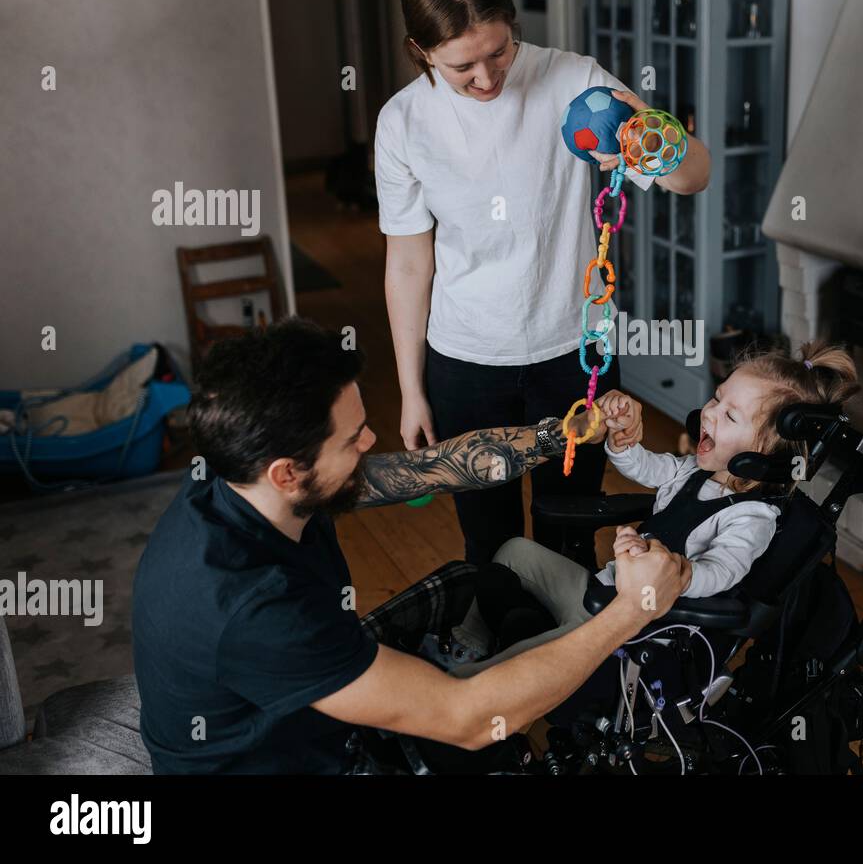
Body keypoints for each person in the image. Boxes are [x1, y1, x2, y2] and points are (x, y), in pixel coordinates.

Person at [131, 318, 688, 774]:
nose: (372, 442)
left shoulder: (237, 472)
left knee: (473, 579)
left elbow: (427, 469)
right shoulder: (251, 604)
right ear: (286, 473)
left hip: (302, 703)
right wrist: (631, 610)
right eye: (353, 440)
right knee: (492, 734)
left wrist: (565, 433)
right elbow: (467, 718)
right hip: (297, 762)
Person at [376, 0, 712, 565]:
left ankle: (575, 661)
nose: (486, 78)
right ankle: (508, 653)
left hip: (573, 357)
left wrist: (651, 139)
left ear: (513, 25)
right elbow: (408, 263)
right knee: (490, 544)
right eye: (460, 67)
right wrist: (411, 388)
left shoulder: (573, 79)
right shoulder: (402, 124)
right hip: (465, 362)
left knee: (569, 534)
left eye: (498, 50)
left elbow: (693, 176)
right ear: (421, 52)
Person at [438, 342, 862, 677]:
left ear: (769, 452)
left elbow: (721, 572)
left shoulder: (751, 516)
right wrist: (622, 440)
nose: (709, 414)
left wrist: (669, 567)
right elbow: (644, 465)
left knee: (528, 664)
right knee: (513, 551)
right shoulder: (694, 471)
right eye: (716, 399)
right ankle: (467, 645)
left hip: (626, 632)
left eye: (730, 416)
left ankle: (472, 692)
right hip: (599, 593)